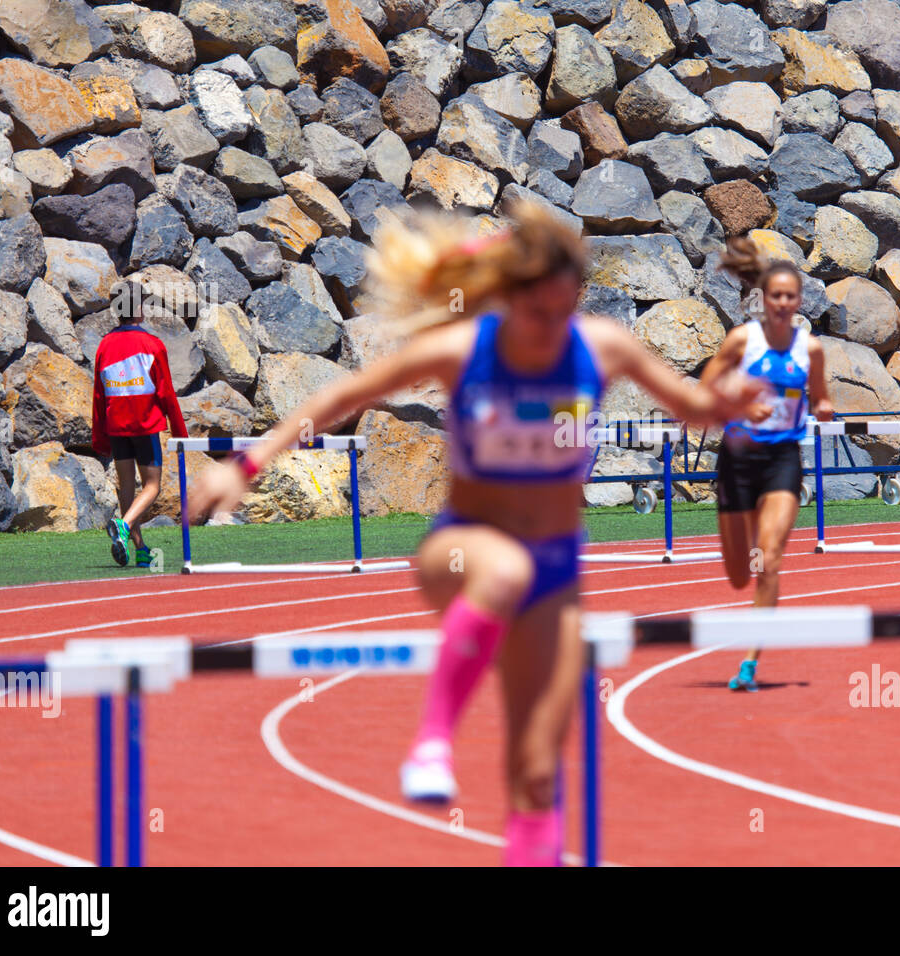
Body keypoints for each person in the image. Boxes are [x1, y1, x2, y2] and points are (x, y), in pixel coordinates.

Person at [186, 202, 762, 866]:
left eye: (562, 313)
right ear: (506, 300)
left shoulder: (601, 348)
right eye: (537, 314)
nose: (550, 330)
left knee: (538, 773)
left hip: (557, 575)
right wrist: (247, 465)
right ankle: (432, 739)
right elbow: (341, 398)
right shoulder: (463, 350)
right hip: (462, 548)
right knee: (503, 571)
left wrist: (732, 405)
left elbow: (691, 408)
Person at [700, 237, 833, 692]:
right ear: (764, 298)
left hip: (782, 458)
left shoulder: (809, 349)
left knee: (769, 560)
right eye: (775, 295)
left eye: (790, 296)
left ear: (798, 301)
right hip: (738, 461)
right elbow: (704, 392)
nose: (782, 303)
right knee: (739, 572)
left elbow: (820, 394)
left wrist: (825, 407)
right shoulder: (743, 341)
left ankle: (750, 663)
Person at [91, 277, 188, 569]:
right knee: (152, 487)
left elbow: (98, 395)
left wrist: (100, 436)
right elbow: (167, 393)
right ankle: (122, 527)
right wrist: (180, 433)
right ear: (139, 309)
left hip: (117, 428)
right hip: (144, 427)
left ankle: (141, 549)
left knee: (127, 491)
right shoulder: (153, 345)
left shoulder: (104, 346)